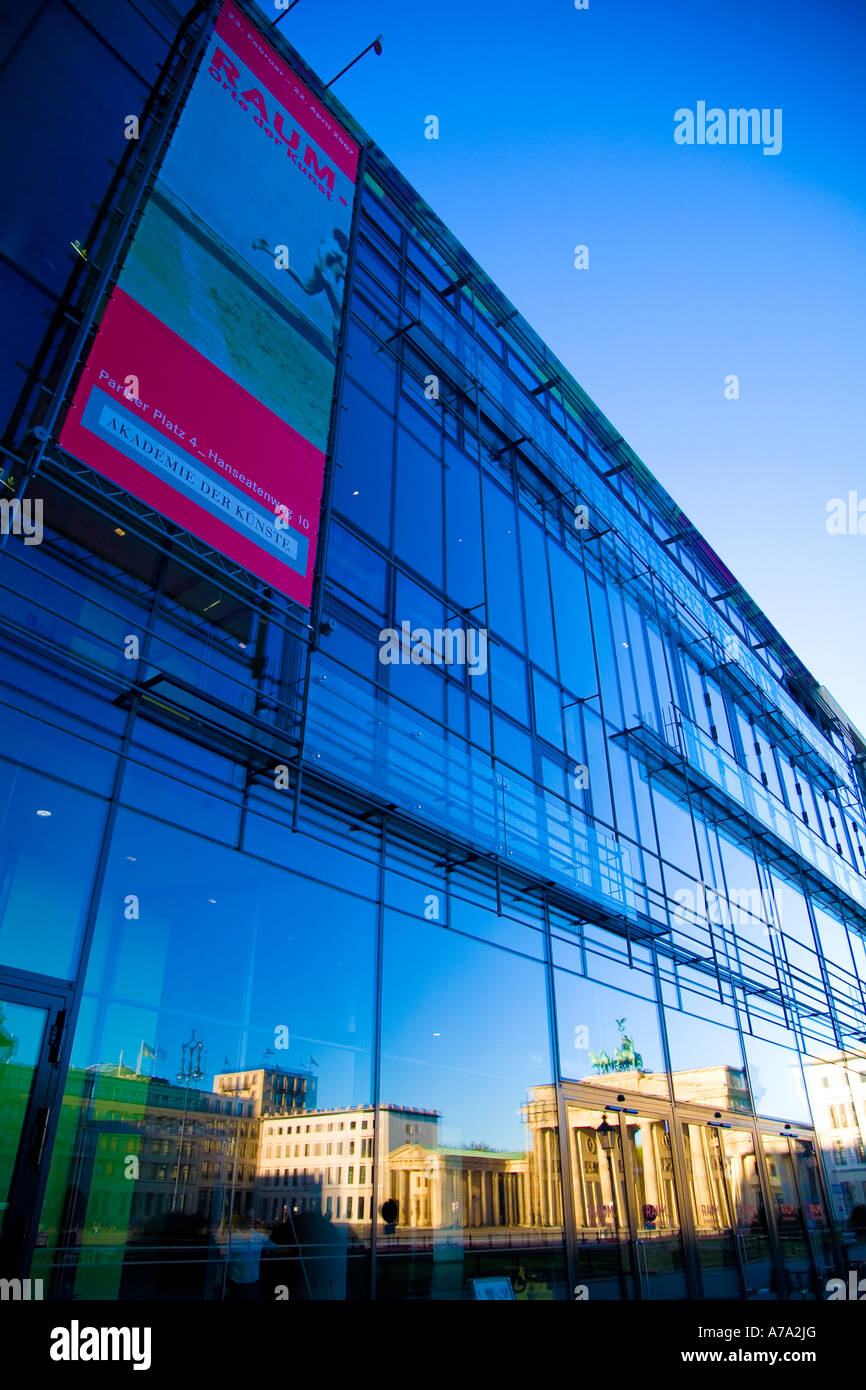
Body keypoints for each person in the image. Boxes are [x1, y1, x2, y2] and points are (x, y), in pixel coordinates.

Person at [225, 1207, 274, 1300]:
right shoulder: (233, 1238)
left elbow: (274, 1248)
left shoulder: (260, 1237)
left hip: (253, 1285)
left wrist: (296, 1249)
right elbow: (224, 1260)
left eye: (252, 1217)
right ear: (243, 1218)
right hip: (236, 1286)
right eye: (247, 1217)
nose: (250, 1220)